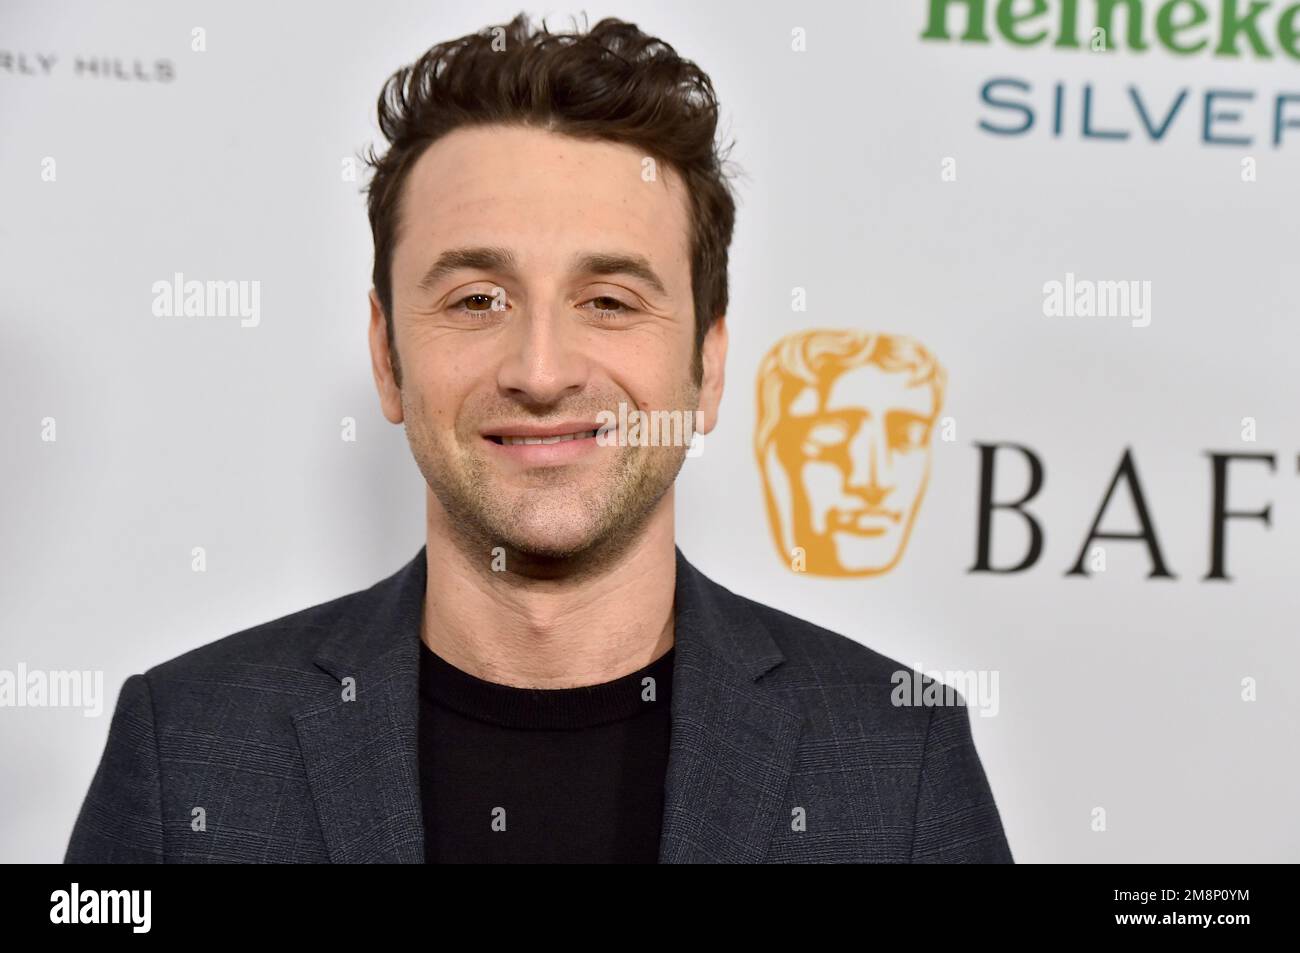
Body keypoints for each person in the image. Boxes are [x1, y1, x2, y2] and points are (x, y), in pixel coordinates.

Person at [65, 12, 1012, 863]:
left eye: (609, 300)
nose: (543, 369)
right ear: (388, 357)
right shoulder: (186, 750)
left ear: (710, 366)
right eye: (477, 299)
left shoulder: (900, 761)